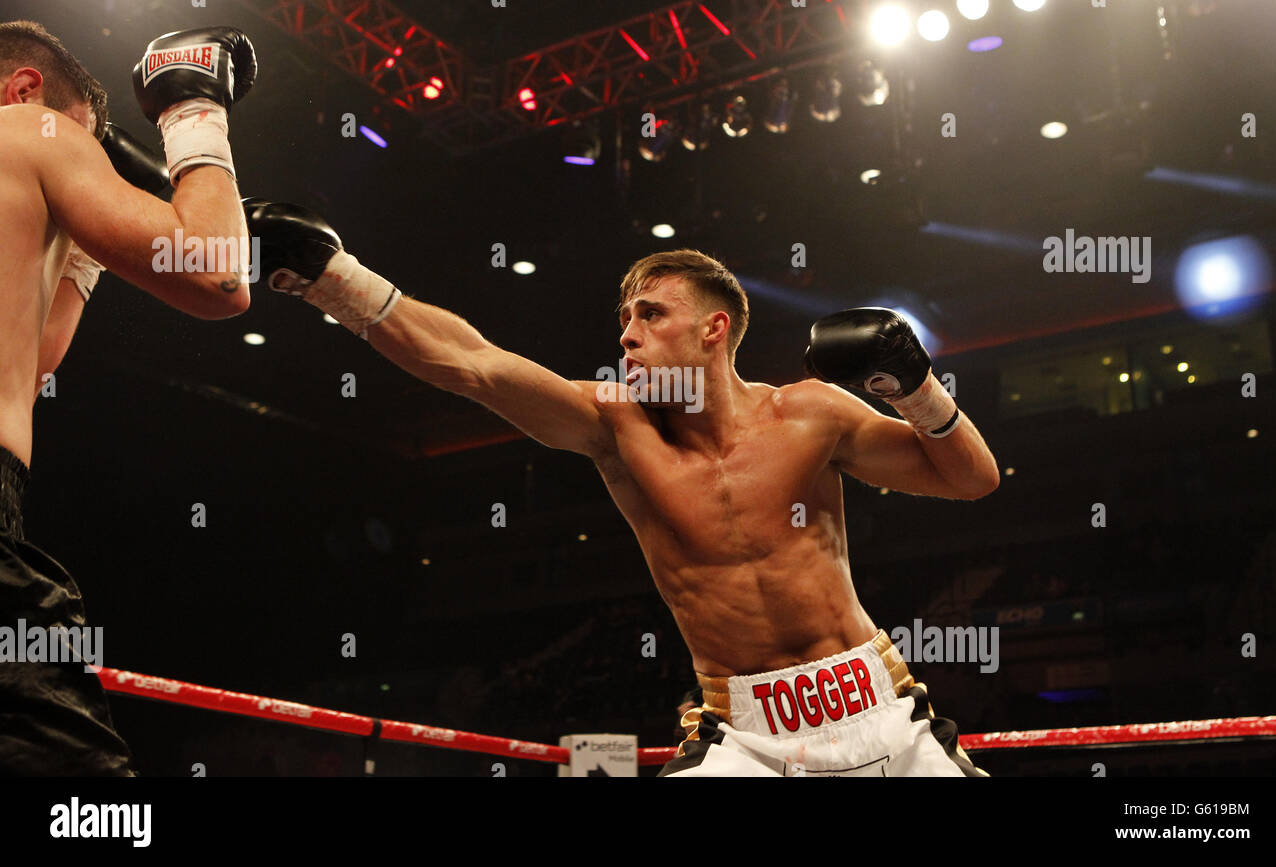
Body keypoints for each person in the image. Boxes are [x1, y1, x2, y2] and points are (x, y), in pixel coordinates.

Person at [242, 203, 999, 777]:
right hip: (747, 736)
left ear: (714, 328)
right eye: (624, 318)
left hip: (878, 704)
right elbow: (470, 362)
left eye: (650, 313)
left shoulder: (811, 413)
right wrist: (333, 278)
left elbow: (972, 479)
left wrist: (917, 386)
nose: (627, 334)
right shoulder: (614, 426)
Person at [0, 20, 256, 775]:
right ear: (24, 89)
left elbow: (30, 358)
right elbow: (216, 272)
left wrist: (80, 249)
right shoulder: (31, 127)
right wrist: (192, 106)